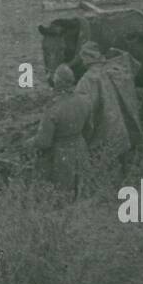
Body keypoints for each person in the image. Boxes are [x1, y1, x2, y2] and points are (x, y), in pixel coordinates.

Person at [74, 41, 143, 179]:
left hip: (105, 125)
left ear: (87, 58)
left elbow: (83, 106)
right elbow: (134, 66)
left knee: (103, 159)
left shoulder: (87, 79)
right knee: (123, 157)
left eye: (83, 57)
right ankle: (127, 179)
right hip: (123, 124)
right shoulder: (114, 69)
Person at [32, 64, 94, 201]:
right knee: (82, 191)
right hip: (80, 149)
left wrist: (30, 142)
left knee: (62, 195)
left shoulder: (53, 108)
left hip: (62, 155)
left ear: (57, 82)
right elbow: (89, 129)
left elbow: (43, 142)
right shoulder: (85, 101)